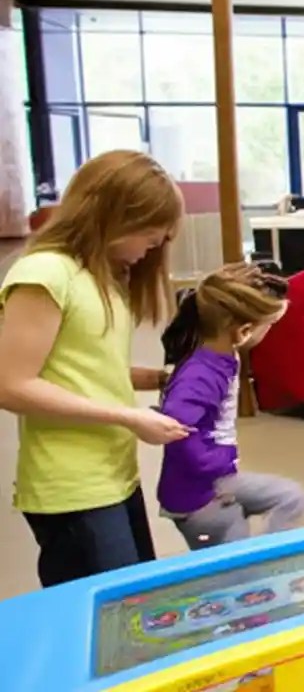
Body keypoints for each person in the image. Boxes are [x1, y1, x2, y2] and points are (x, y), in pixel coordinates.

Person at [0, 150, 191, 588]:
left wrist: (161, 380)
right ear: (116, 215)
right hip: (72, 486)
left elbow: (86, 370)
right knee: (106, 619)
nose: (154, 245)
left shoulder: (101, 278)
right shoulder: (46, 273)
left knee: (137, 606)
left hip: (114, 474)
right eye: (150, 233)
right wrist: (128, 416)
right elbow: (12, 386)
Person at [157, 265, 304, 550]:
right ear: (243, 331)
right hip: (199, 497)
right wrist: (215, 467)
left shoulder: (224, 355)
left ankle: (266, 556)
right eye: (268, 326)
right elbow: (176, 428)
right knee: (234, 561)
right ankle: (250, 569)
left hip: (218, 478)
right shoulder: (202, 372)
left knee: (292, 497)